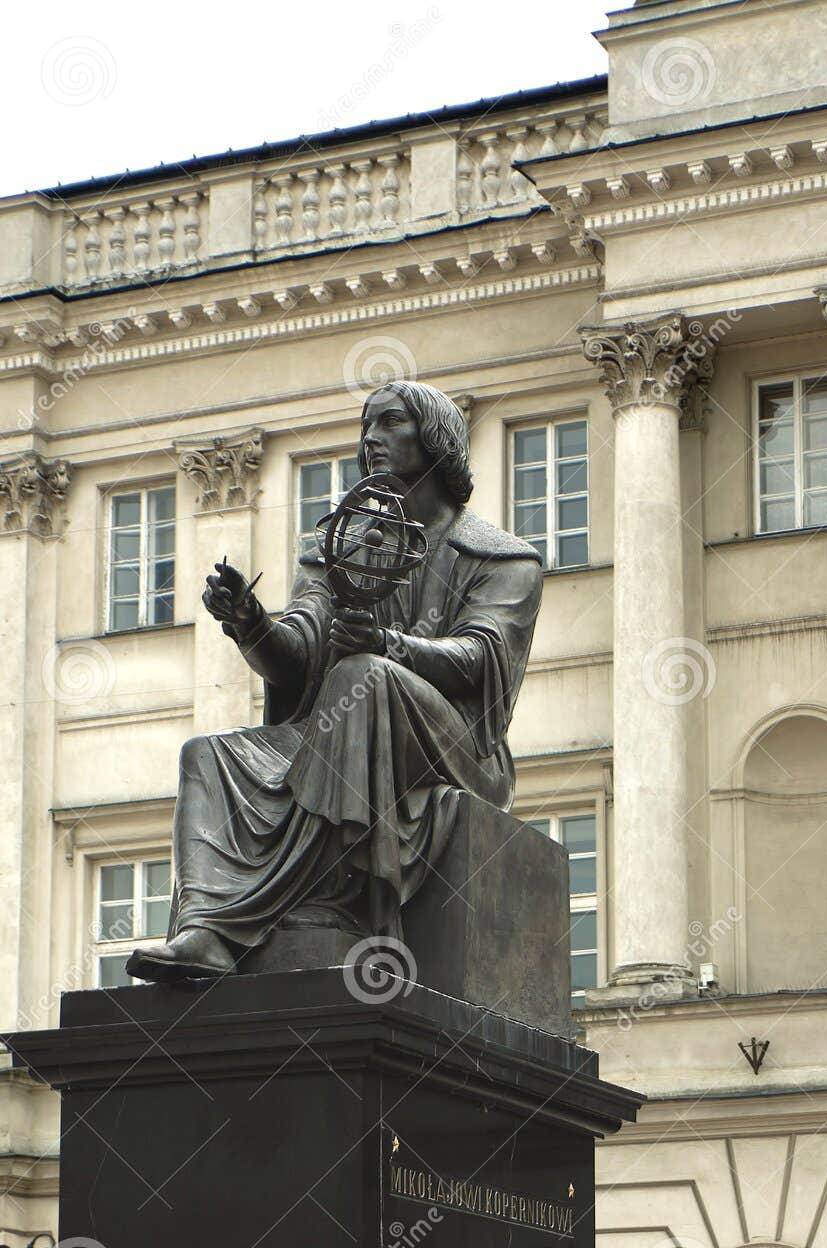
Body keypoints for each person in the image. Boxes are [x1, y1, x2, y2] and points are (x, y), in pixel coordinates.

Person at [126, 381, 543, 983]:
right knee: (208, 754)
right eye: (366, 425)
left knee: (363, 675)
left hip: (453, 750)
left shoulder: (500, 558)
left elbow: (481, 660)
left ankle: (338, 904)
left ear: (435, 440)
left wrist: (388, 644)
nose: (371, 438)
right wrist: (253, 624)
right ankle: (209, 931)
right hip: (340, 725)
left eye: (390, 423)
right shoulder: (338, 551)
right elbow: (297, 655)